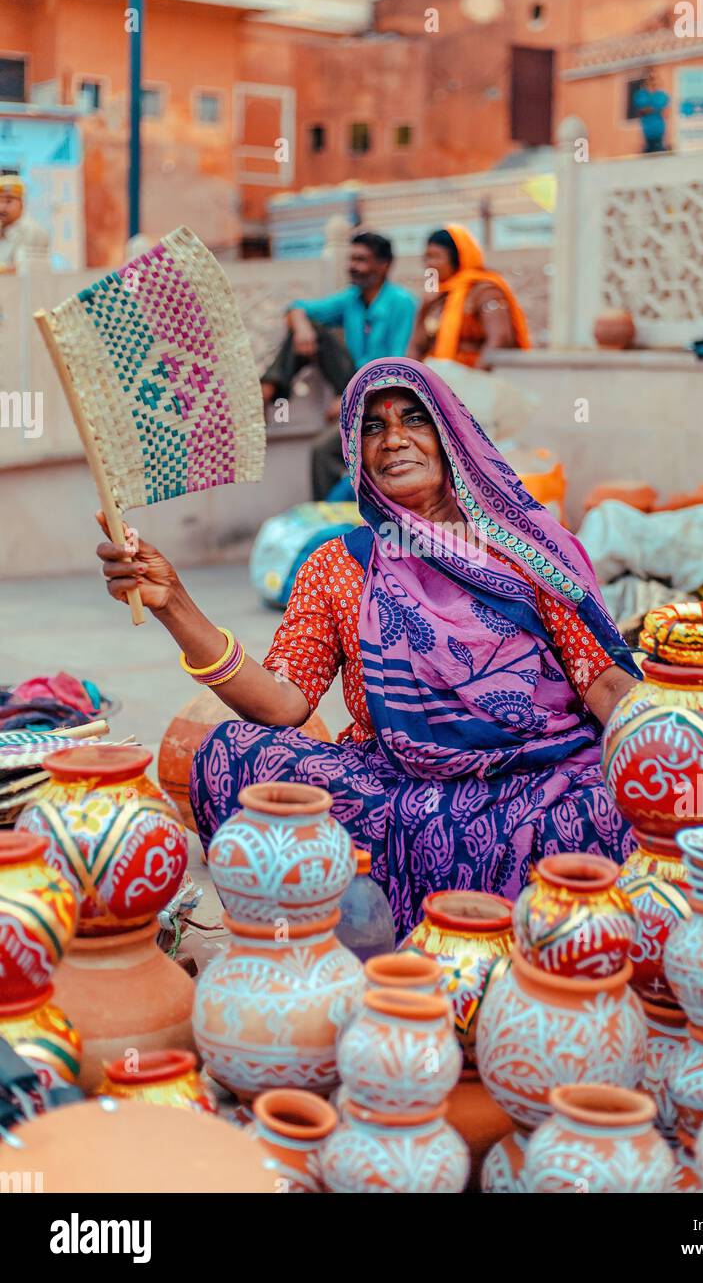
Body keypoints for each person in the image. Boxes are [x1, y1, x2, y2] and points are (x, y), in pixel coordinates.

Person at [97, 358, 642, 937]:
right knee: (233, 754)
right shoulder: (338, 565)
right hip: (396, 787)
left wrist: (672, 736)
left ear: (451, 434)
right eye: (373, 428)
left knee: (619, 799)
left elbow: (604, 683)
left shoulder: (523, 551)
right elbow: (283, 706)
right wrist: (173, 604)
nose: (395, 440)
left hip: (538, 778)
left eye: (415, 419)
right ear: (356, 453)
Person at [261, 232, 416, 498]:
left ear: (383, 265)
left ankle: (332, 525)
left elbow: (396, 368)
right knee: (313, 329)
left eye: (361, 260)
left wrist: (348, 398)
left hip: (381, 394)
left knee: (322, 450)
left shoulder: (402, 303)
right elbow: (297, 308)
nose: (352, 266)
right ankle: (269, 388)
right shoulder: (351, 299)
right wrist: (301, 328)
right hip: (351, 378)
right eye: (351, 259)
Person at [407, 225, 531, 369]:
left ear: (458, 258)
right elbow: (417, 346)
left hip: (472, 381)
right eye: (426, 258)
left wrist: (474, 379)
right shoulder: (438, 296)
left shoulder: (485, 291)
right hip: (438, 382)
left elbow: (500, 338)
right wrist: (424, 308)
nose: (429, 264)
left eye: (436, 257)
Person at [0, 175, 50, 272]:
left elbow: (23, 271)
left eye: (8, 201)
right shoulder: (3, 229)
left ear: (22, 203)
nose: (1, 207)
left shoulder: (32, 231)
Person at [633, 69, 670, 154]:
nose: (652, 81)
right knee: (649, 152)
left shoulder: (662, 95)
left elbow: (664, 110)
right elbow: (641, 110)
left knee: (659, 152)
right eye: (650, 78)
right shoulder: (640, 95)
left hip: (659, 130)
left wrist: (650, 108)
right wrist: (654, 108)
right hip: (647, 131)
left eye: (654, 78)